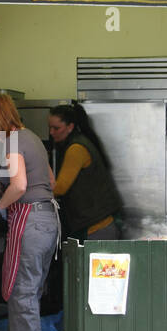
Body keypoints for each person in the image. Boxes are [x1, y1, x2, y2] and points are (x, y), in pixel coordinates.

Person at [0, 94, 59, 331]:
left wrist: (0, 206)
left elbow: (19, 184)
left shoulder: (13, 142)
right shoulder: (33, 138)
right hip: (48, 220)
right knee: (31, 292)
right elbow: (50, 181)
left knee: (21, 292)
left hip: (30, 219)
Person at [48, 103, 125, 241]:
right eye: (50, 128)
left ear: (70, 127)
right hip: (99, 222)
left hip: (97, 226)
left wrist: (32, 192)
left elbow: (60, 188)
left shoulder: (76, 149)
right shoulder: (81, 141)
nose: (52, 132)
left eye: (56, 128)